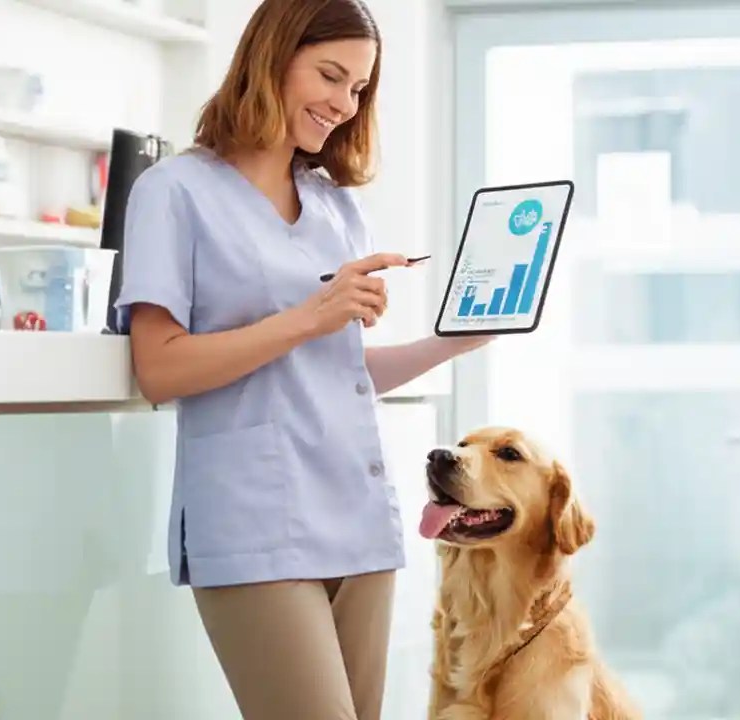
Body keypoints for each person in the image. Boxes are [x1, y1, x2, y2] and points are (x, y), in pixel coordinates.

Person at [112, 1, 490, 717]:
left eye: (359, 89)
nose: (345, 104)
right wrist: (308, 317)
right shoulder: (174, 191)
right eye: (331, 75)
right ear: (273, 56)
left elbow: (338, 374)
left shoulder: (335, 208)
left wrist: (453, 342)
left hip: (357, 514)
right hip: (255, 520)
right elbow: (158, 368)